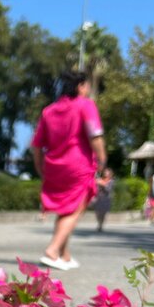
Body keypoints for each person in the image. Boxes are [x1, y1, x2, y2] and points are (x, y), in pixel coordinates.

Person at [30, 70, 106, 270]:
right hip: (78, 165)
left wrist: (40, 168)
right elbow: (95, 135)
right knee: (75, 209)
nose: (88, 89)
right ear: (80, 86)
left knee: (65, 209)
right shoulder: (85, 105)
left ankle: (64, 255)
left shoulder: (49, 110)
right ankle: (52, 250)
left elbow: (37, 145)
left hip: (54, 166)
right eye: (87, 85)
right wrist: (103, 159)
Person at [91, 166, 115, 232]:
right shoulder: (100, 179)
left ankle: (101, 225)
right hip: (98, 198)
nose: (105, 173)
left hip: (106, 199)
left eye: (107, 172)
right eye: (105, 172)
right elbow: (96, 188)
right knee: (97, 213)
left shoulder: (111, 181)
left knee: (103, 213)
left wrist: (103, 184)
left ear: (110, 173)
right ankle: (99, 223)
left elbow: (109, 190)